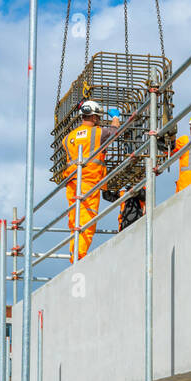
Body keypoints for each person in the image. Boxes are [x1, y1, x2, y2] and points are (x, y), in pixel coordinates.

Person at [63, 99, 121, 262]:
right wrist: (115, 118)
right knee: (87, 220)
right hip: (89, 182)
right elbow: (115, 131)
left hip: (72, 183)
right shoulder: (98, 133)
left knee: (75, 220)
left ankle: (75, 253)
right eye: (98, 117)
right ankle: (79, 257)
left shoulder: (68, 137)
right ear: (94, 117)